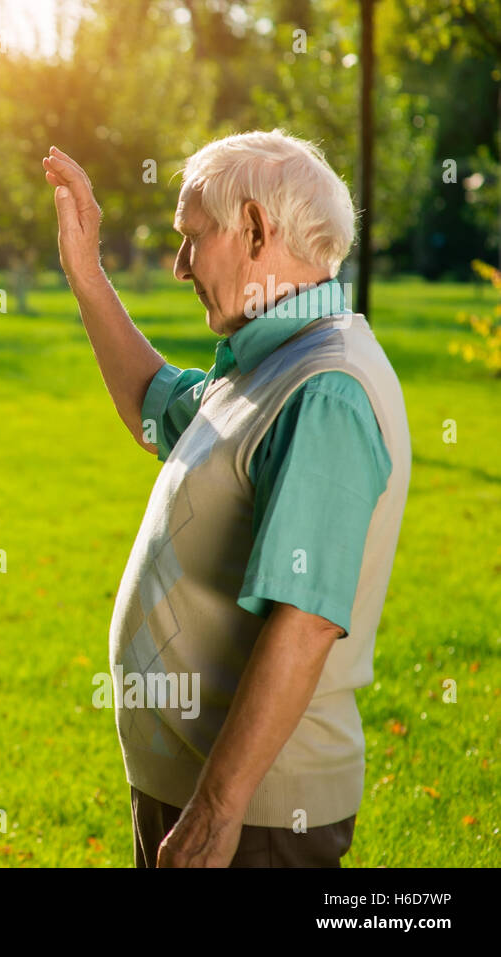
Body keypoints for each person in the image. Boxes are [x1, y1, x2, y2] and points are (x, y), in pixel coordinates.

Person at [43, 130, 410, 867]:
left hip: (257, 814)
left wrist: (219, 806)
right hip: (205, 791)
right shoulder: (272, 358)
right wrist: (86, 272)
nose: (180, 265)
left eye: (191, 239)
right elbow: (154, 405)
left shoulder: (324, 387)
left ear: (253, 229)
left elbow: (303, 622)